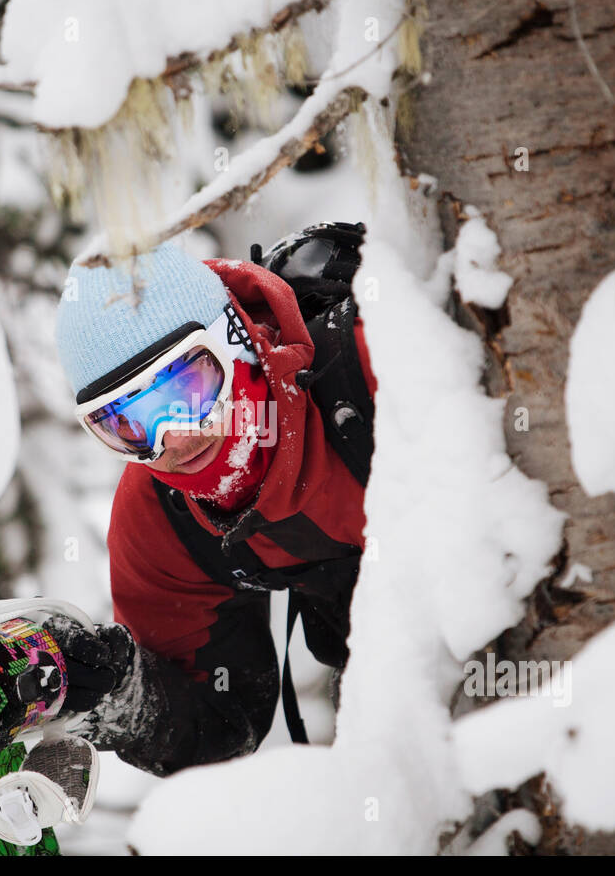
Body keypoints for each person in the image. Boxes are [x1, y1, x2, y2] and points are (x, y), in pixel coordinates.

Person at [46, 234, 377, 776]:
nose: (173, 441)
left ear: (236, 341)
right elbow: (218, 721)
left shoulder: (373, 368)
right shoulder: (162, 516)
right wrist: (122, 694)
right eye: (128, 426)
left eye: (184, 393)